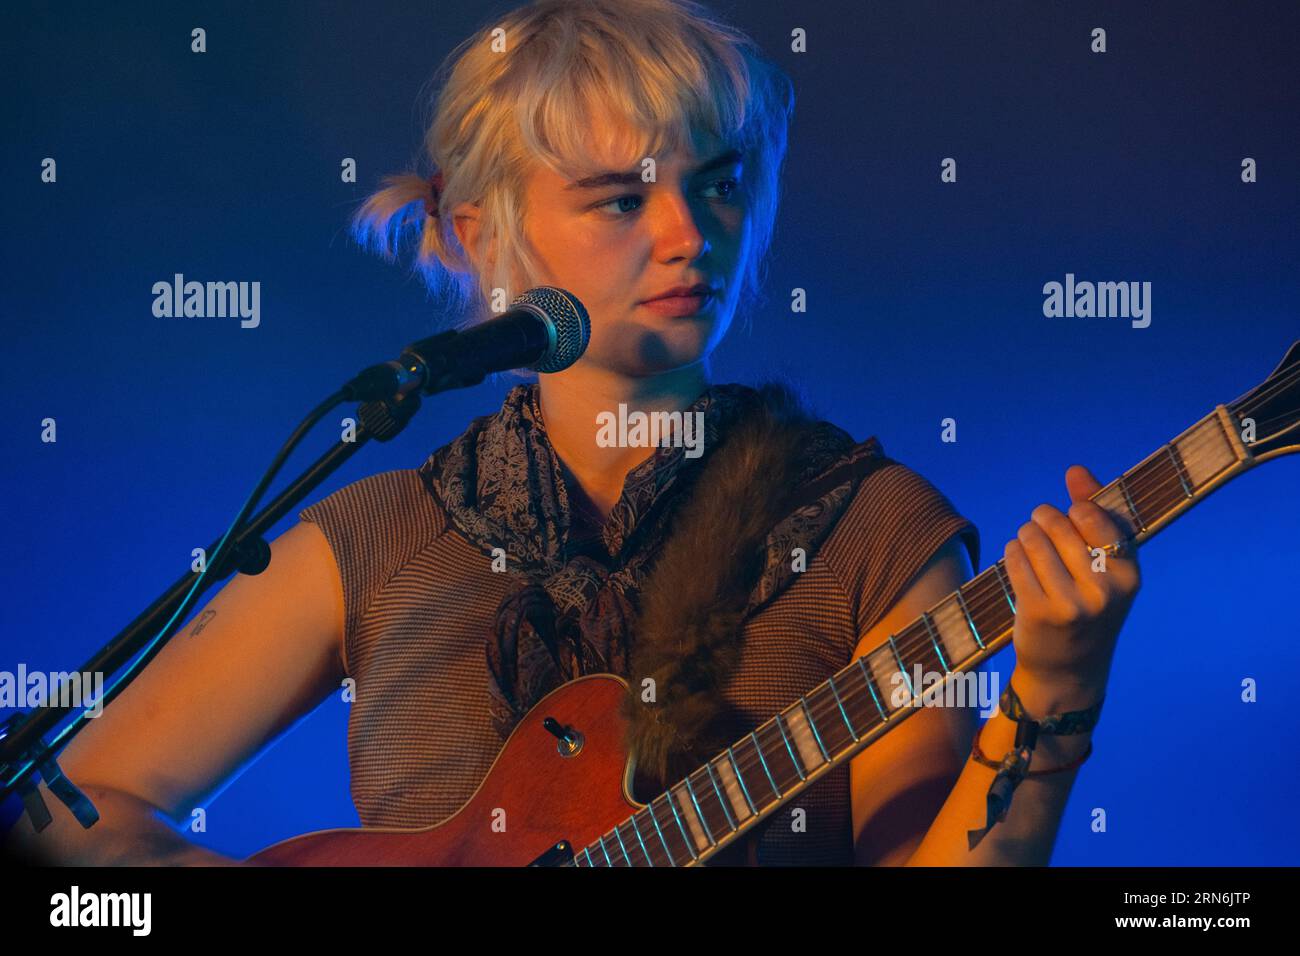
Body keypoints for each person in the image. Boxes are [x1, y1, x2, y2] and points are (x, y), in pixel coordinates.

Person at [4, 0, 1139, 867]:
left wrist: (1054, 684)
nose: (690, 232)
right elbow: (75, 816)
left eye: (721, 182)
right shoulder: (380, 533)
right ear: (476, 228)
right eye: (620, 197)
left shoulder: (872, 528)